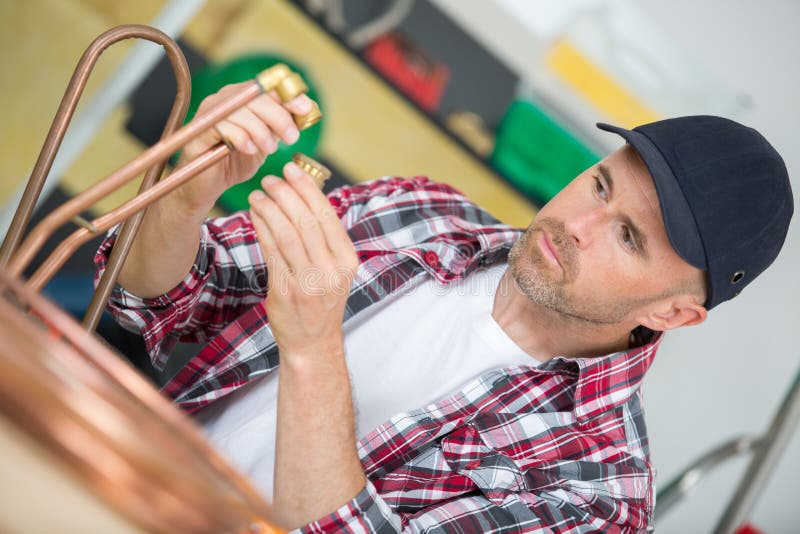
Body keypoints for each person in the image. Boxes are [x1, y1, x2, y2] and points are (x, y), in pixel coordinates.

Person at [95, 83, 793, 532]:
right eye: (600, 184)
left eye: (629, 237)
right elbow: (159, 298)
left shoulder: (599, 498)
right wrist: (186, 189)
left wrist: (312, 347)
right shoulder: (414, 211)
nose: (576, 223)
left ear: (674, 313)